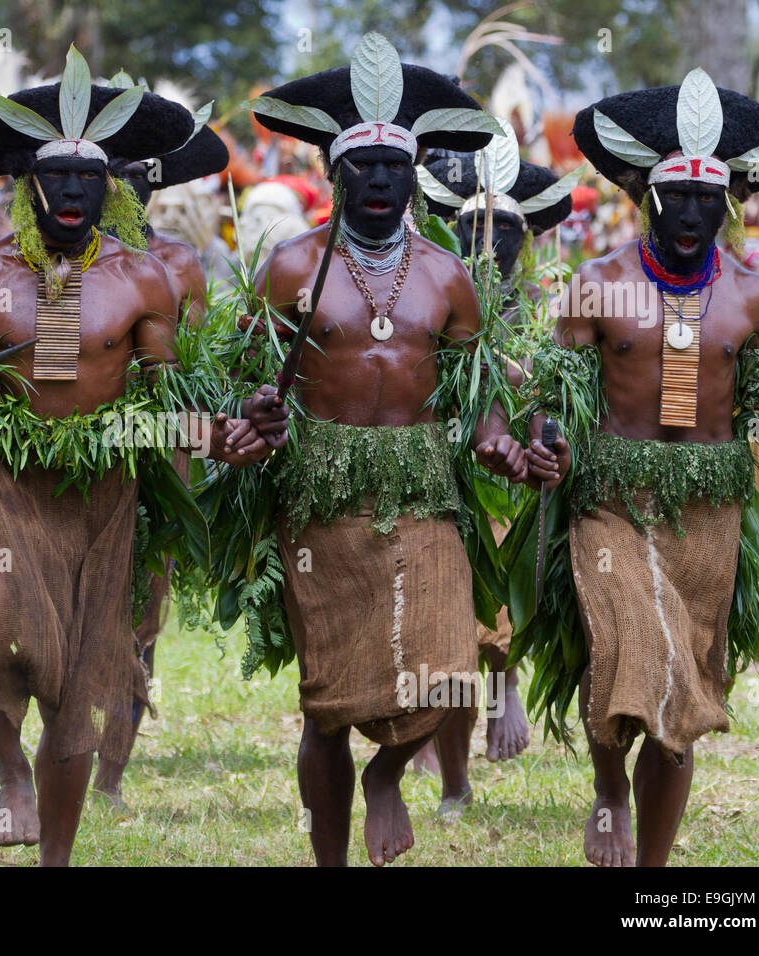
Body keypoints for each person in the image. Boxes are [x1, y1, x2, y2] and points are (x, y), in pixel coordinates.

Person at [0, 47, 284, 865]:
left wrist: (231, 436)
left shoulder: (143, 281)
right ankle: (10, 769)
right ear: (25, 185)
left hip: (102, 497)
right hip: (4, 485)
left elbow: (167, 404)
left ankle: (58, 857)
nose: (73, 195)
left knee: (73, 687)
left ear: (110, 187)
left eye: (90, 180)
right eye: (57, 180)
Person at [248, 31, 528, 866]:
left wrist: (501, 446)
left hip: (422, 491)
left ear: (414, 178)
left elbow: (478, 406)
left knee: (449, 674)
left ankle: (390, 775)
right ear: (336, 172)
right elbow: (252, 386)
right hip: (322, 497)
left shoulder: (450, 277)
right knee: (327, 703)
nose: (377, 181)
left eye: (392, 169)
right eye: (361, 167)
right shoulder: (288, 269)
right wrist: (253, 416)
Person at [520, 67, 759, 866]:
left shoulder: (755, 294)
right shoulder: (597, 284)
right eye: (674, 197)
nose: (690, 213)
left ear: (727, 203)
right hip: (610, 497)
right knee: (627, 653)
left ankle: (653, 873)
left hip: (708, 514)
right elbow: (556, 401)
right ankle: (610, 787)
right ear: (646, 197)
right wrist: (547, 440)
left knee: (681, 696)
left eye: (705, 200)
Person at [413, 119, 582, 816]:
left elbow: (559, 394)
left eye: (507, 232)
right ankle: (430, 730)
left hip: (511, 473)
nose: (493, 245)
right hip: (442, 465)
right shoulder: (439, 295)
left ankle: (504, 685)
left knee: (505, 574)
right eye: (478, 229)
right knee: (438, 600)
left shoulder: (546, 310)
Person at [94, 105, 230, 804]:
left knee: (142, 604)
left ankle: (109, 775)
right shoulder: (57, 265)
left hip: (156, 454)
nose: (122, 195)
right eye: (107, 179)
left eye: (134, 182)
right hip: (74, 455)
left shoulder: (179, 265)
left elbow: (189, 377)